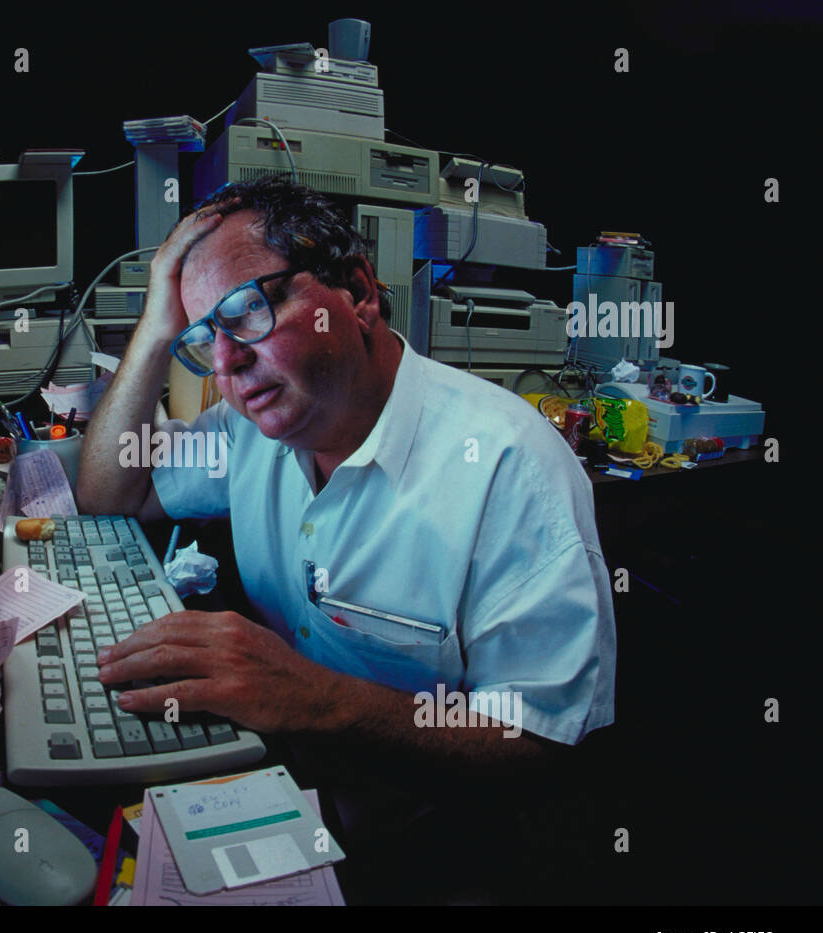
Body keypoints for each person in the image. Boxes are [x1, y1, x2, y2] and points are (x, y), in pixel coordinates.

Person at [76, 176, 615, 770]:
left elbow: (541, 743)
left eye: (250, 309)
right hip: (281, 769)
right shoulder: (250, 428)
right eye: (203, 339)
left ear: (358, 293)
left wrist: (315, 700)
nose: (226, 364)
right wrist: (156, 329)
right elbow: (110, 494)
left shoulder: (511, 471)